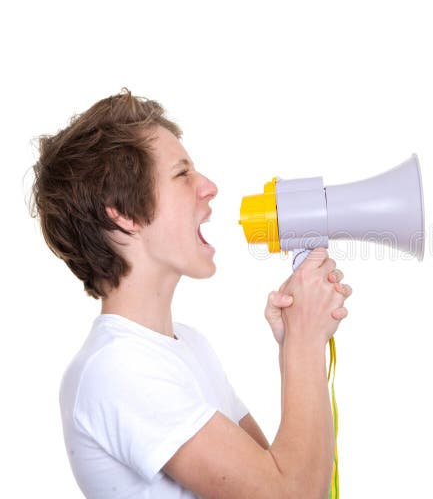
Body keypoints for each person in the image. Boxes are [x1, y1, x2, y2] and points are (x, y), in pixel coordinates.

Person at [31, 90, 351, 498]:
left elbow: (290, 475)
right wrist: (305, 344)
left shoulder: (189, 347)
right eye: (183, 174)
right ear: (124, 213)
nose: (209, 187)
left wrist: (295, 342)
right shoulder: (117, 367)